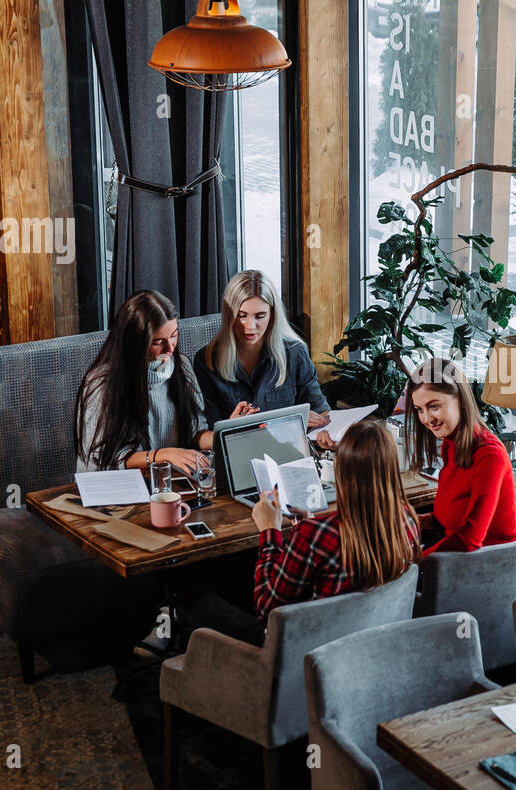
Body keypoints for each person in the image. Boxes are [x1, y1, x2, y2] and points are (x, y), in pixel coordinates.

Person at [178, 420, 420, 646]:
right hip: (361, 642)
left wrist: (270, 531)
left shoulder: (314, 535)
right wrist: (311, 525)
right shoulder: (408, 520)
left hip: (298, 648)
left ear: (342, 470)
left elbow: (266, 609)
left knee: (189, 593)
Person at [193, 270, 336, 448]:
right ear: (229, 315)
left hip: (288, 456)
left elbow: (321, 411)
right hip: (236, 458)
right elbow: (201, 435)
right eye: (241, 315)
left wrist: (324, 433)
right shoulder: (206, 361)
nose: (250, 327)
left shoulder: (295, 353)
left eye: (260, 316)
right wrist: (234, 429)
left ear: (273, 315)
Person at [75, 289, 212, 474]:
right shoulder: (102, 384)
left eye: (174, 335)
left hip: (169, 482)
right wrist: (164, 455)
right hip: (120, 487)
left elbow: (196, 429)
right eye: (158, 342)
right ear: (135, 342)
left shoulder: (182, 367)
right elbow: (105, 460)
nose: (170, 347)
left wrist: (223, 435)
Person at [405, 357, 516, 556]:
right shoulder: (451, 445)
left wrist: (414, 563)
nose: (426, 419)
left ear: (460, 399)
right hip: (460, 557)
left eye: (434, 406)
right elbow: (453, 517)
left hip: (492, 565)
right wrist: (423, 521)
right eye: (419, 410)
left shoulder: (490, 454)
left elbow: (470, 539)